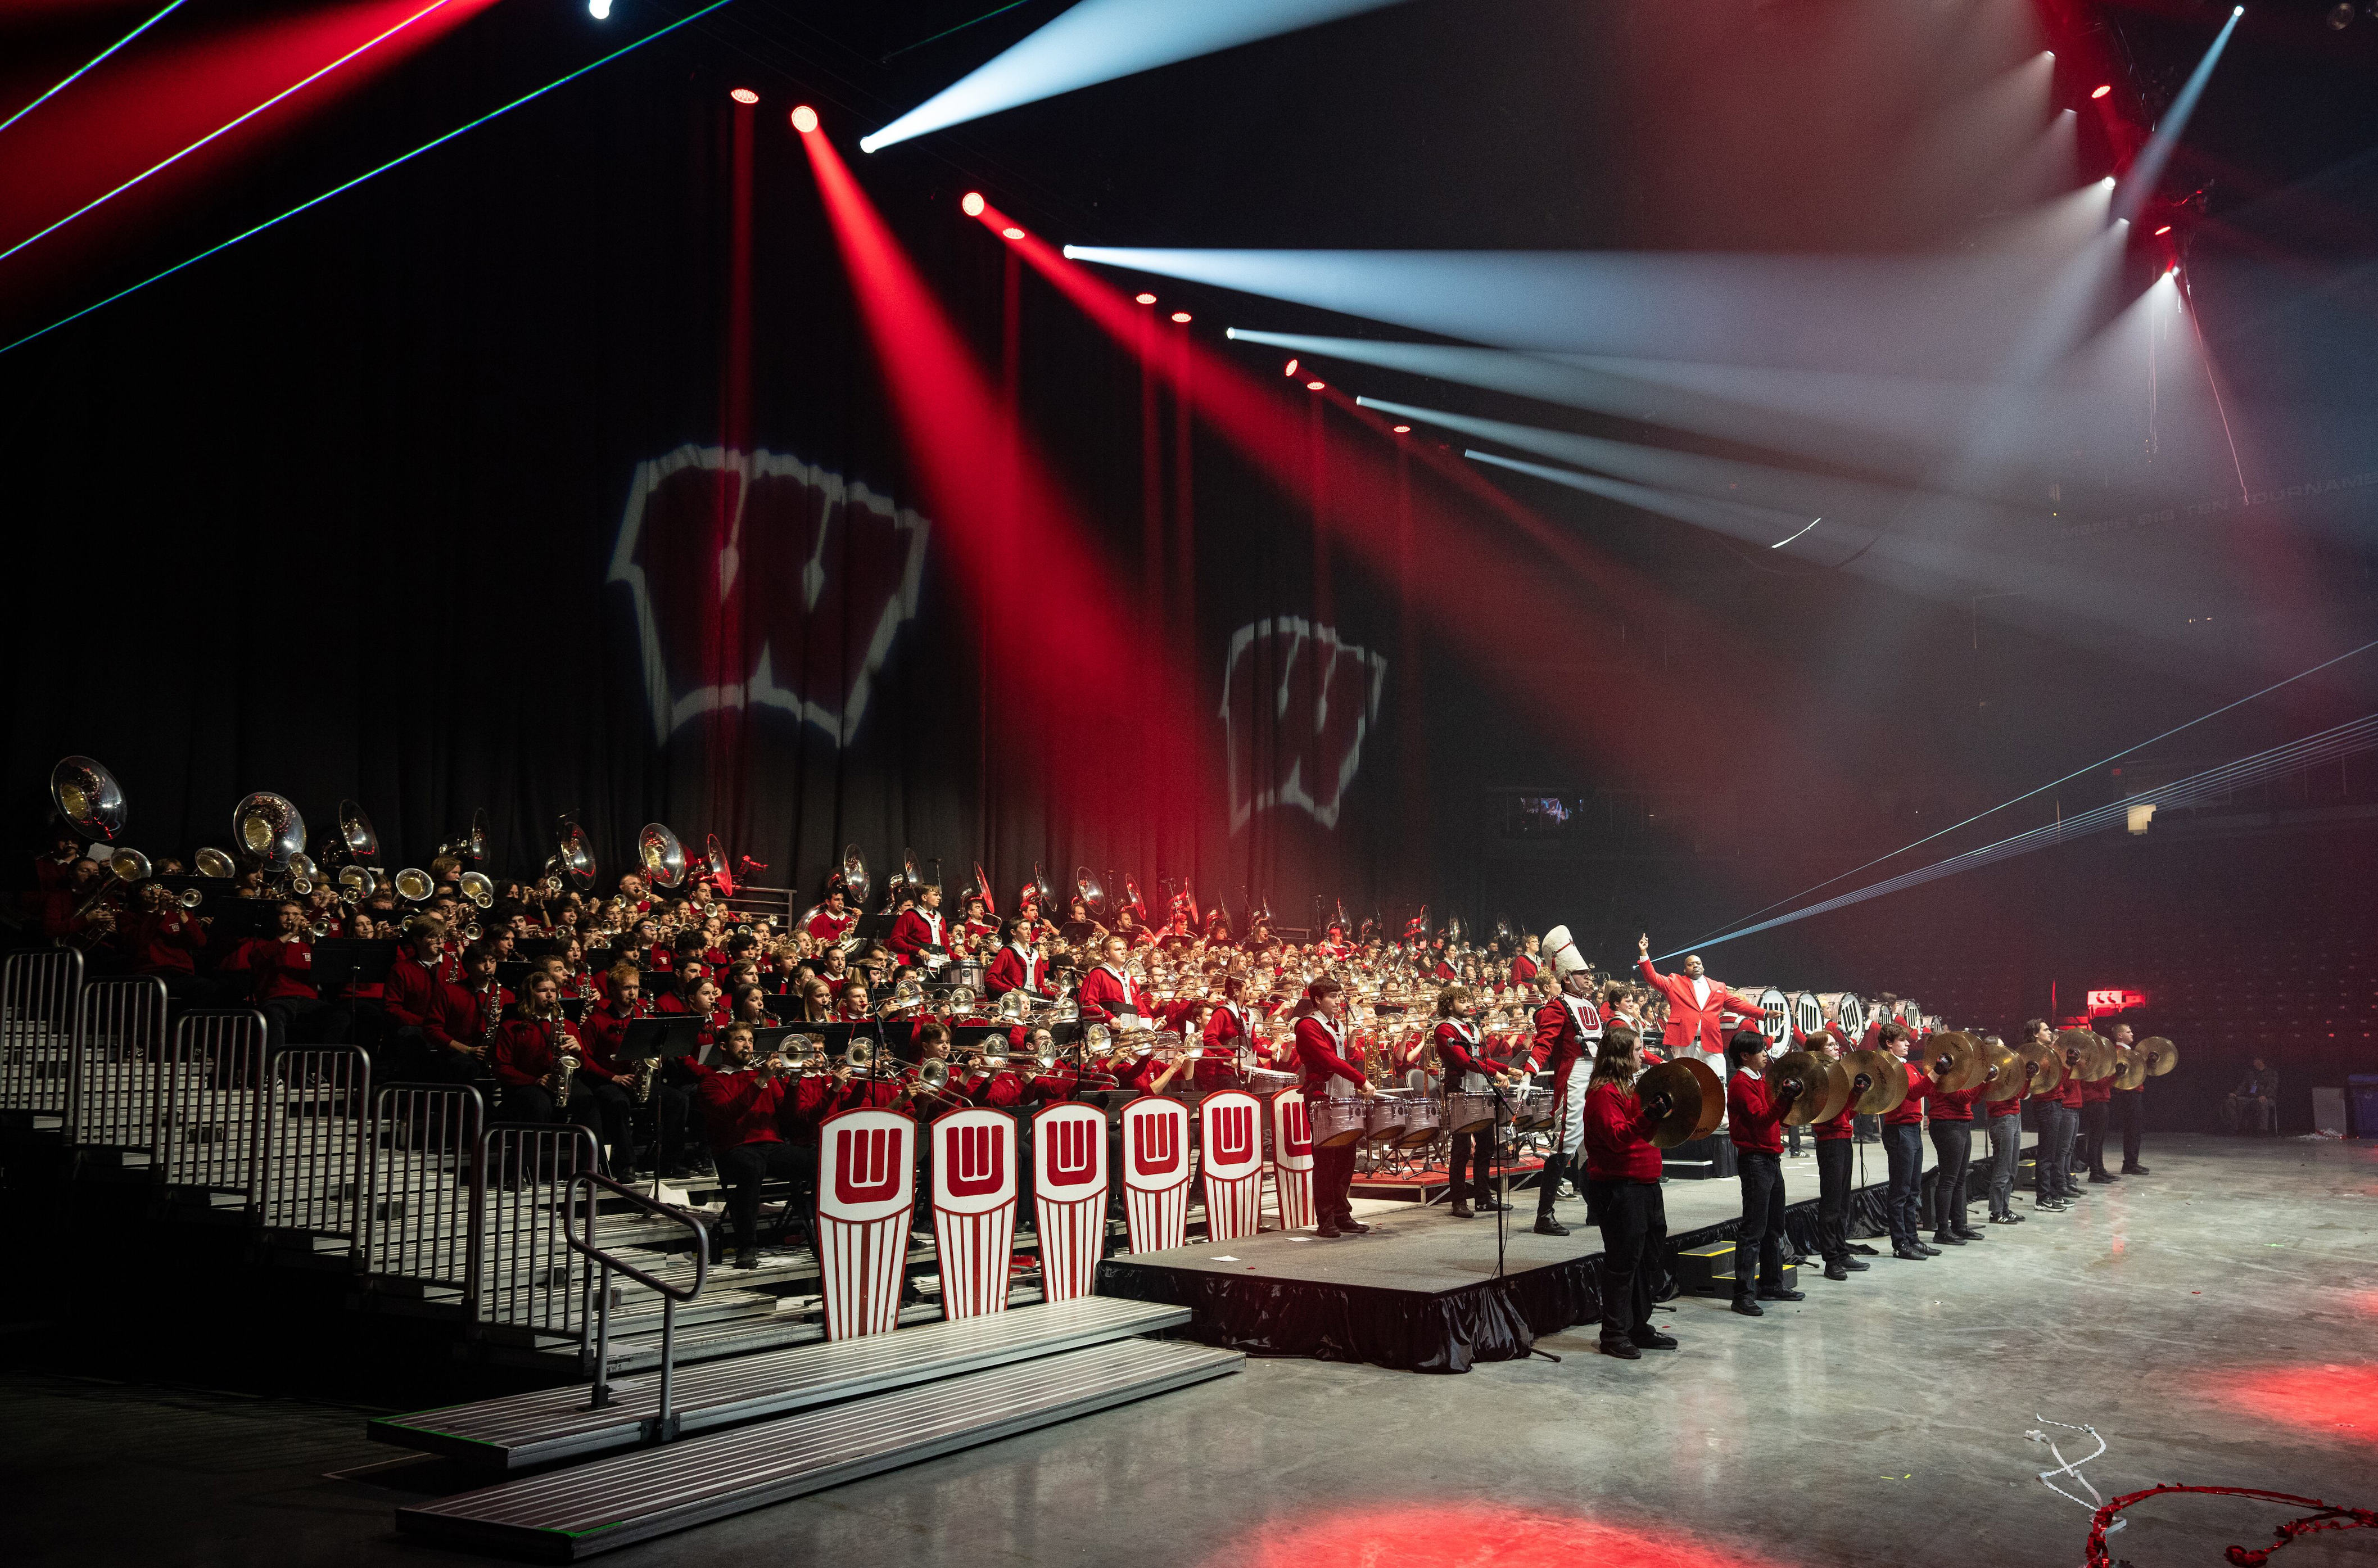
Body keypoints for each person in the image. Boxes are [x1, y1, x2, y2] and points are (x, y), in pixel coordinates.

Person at [1580, 1024, 1674, 1359]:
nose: (1641, 1055)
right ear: (1622, 1056)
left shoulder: (1630, 1088)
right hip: (1620, 1186)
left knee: (1645, 1260)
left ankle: (1637, 1326)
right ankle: (1614, 1334)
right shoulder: (1604, 1093)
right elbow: (1617, 1139)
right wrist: (1648, 1116)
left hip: (1644, 1184)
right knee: (1623, 1263)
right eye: (1637, 1050)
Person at [692, 1022, 799, 1269]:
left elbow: (788, 1116)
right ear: (723, 1046)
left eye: (750, 1040)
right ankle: (747, 1247)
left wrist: (794, 1083)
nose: (748, 1045)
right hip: (734, 1148)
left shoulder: (763, 1079)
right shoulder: (712, 1083)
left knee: (822, 1161)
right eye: (741, 1040)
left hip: (771, 1146)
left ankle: (819, 1233)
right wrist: (761, 1079)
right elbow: (729, 1113)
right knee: (751, 1168)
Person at [1724, 1029, 1800, 1315]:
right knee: (1754, 1229)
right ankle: (1742, 1295)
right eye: (1761, 1051)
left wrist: (1787, 1102)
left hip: (1769, 1158)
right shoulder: (1741, 1084)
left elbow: (1773, 1118)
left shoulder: (1758, 1080)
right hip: (1756, 1160)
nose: (1766, 1056)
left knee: (1773, 1227)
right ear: (1745, 1056)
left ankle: (1771, 1284)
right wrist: (1785, 1099)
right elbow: (1761, 1120)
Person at [1529, 943, 1602, 1237]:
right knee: (1567, 1142)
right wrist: (1530, 1072)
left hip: (1595, 1076)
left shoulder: (1590, 1005)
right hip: (1573, 1078)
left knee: (1591, 1144)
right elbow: (1544, 1043)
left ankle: (1594, 1209)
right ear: (1568, 977)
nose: (1589, 978)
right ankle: (1544, 1216)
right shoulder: (1557, 1006)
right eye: (1583, 974)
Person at [1293, 978, 1376, 1239]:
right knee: (1326, 1161)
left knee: (1346, 1158)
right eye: (1332, 996)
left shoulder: (1337, 1024)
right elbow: (1327, 1059)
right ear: (1318, 1000)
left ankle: (1342, 1214)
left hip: (1344, 1095)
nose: (1339, 1001)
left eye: (1339, 996)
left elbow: (1341, 1058)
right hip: (1322, 1097)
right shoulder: (1307, 1025)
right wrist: (1360, 1079)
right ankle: (1326, 1218)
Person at [219, 898, 352, 1059]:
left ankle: (318, 1068)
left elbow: (331, 970)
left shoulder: (309, 944)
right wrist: (290, 935)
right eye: (286, 914)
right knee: (274, 1016)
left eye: (296, 914)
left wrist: (313, 944)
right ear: (277, 918)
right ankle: (274, 1070)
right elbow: (256, 958)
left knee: (340, 1016)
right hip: (277, 999)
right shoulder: (266, 943)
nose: (291, 918)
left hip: (308, 1001)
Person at [1433, 985, 1513, 1219]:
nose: (1468, 1004)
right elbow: (1465, 1060)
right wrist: (1497, 1074)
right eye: (1462, 1001)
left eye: (1468, 1000)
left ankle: (1483, 1197)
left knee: (1486, 1145)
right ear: (1449, 1005)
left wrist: (1509, 1069)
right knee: (1460, 1149)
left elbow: (1483, 1059)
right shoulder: (1444, 1029)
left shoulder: (1472, 1027)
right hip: (1460, 1091)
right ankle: (1458, 1201)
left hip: (1480, 1089)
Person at [1635, 934, 1767, 1073]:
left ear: (1703, 967)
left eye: (1698, 963)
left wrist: (1764, 1013)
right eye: (1690, 964)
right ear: (1685, 970)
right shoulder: (1674, 982)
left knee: (1717, 1078)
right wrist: (1644, 953)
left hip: (1710, 1040)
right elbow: (1652, 977)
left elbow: (1738, 1005)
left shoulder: (1717, 987)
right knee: (1686, 1078)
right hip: (1685, 1041)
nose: (1695, 966)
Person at [1809, 1027, 1866, 1279]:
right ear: (1818, 1052)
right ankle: (1831, 1260)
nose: (1836, 1048)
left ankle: (1841, 1252)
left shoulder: (1836, 1076)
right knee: (1831, 1203)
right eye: (1830, 1046)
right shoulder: (1817, 1079)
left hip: (1843, 1140)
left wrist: (1856, 1094)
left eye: (1835, 1045)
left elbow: (1846, 1115)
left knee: (1843, 1202)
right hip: (1830, 1143)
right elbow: (1827, 1115)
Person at [1875, 1021, 1935, 1259]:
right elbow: (1913, 1092)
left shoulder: (1909, 1067)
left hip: (1912, 1129)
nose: (1909, 1044)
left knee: (1913, 1189)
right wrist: (1935, 1074)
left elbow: (1923, 1090)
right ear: (1889, 1044)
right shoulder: (1890, 1068)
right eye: (1903, 1041)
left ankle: (1912, 1239)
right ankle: (1900, 1244)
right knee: (1900, 1191)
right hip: (1899, 1130)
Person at [1924, 1041, 1985, 1248]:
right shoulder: (1942, 1076)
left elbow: (1972, 1100)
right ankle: (1942, 1230)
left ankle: (1959, 1225)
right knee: (1949, 1179)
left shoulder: (1954, 1075)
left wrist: (1981, 1082)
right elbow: (1963, 1097)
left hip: (1960, 1124)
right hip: (1948, 1125)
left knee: (1959, 1178)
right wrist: (1982, 1078)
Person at [1983, 1031, 2028, 1227]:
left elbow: (2020, 1094)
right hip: (2002, 1119)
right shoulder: (1990, 1072)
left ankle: (2005, 1208)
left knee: (2012, 1168)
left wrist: (2028, 1078)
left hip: (2014, 1116)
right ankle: (1996, 1211)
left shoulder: (2005, 1069)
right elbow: (2003, 1094)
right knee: (2002, 1167)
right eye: (2000, 1046)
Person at [2106, 1021, 2149, 1175]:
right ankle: (2130, 1163)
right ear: (2120, 1035)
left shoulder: (2129, 1052)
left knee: (2135, 1129)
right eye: (2129, 1032)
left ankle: (2132, 1162)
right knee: (2132, 1129)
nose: (2132, 1034)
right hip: (2129, 1094)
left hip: (2133, 1093)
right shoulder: (2120, 1053)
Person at [2078, 1031, 2118, 1183]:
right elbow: (2100, 1084)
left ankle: (2100, 1169)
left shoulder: (2093, 1064)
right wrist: (2115, 1076)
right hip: (2095, 1103)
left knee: (2099, 1139)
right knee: (2096, 1139)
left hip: (2099, 1102)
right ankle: (2095, 1172)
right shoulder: (2090, 1065)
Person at [2225, 1058, 2279, 1133]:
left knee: (2262, 1102)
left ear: (2261, 1061)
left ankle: (2262, 1130)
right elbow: (2243, 1086)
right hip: (2251, 1097)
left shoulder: (2271, 1073)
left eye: (2255, 1060)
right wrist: (2236, 1094)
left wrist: (2265, 1095)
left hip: (2267, 1098)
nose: (2254, 1062)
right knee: (2231, 1101)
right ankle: (2234, 1127)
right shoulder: (2251, 1073)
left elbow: (2272, 1087)